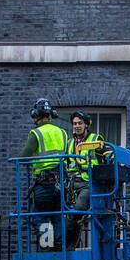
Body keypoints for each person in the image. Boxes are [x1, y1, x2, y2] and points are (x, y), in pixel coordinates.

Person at [17, 99, 69, 250]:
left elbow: (22, 158)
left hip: (44, 184)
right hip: (62, 182)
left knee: (39, 216)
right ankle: (60, 246)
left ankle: (48, 246)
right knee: (58, 215)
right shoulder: (63, 133)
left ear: (36, 116)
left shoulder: (37, 133)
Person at [67, 111, 103, 247]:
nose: (77, 126)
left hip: (89, 184)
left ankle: (67, 245)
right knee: (65, 214)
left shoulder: (95, 138)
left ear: (86, 125)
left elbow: (104, 159)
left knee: (77, 210)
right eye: (74, 123)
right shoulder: (70, 143)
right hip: (71, 184)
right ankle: (69, 247)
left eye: (80, 123)